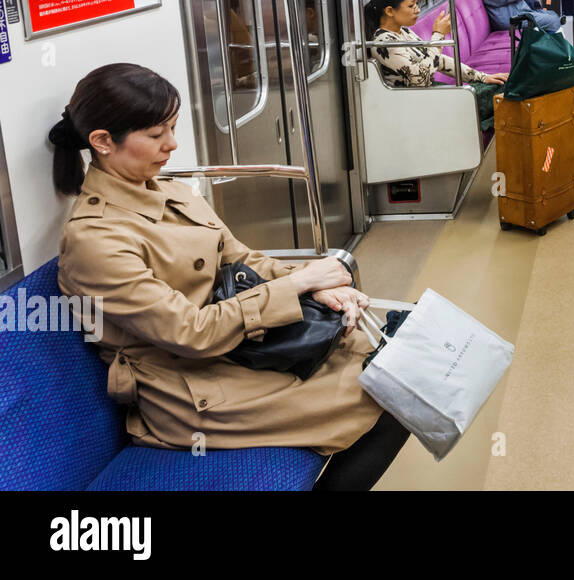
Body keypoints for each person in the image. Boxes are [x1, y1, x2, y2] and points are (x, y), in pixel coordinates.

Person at [52, 63, 408, 491]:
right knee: (391, 394)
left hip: (239, 350)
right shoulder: (95, 238)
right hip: (186, 391)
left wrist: (319, 284)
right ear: (103, 142)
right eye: (155, 134)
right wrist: (294, 286)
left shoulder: (169, 191)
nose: (172, 144)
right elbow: (189, 332)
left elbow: (240, 258)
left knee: (398, 370)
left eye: (172, 127)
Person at [365, 0, 506, 87]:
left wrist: (481, 77)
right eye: (411, 6)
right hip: (415, 104)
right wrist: (438, 35)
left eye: (417, 3)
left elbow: (438, 60)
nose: (418, 10)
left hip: (431, 95)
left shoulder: (404, 32)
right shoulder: (383, 42)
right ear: (390, 11)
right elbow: (420, 78)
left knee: (498, 86)